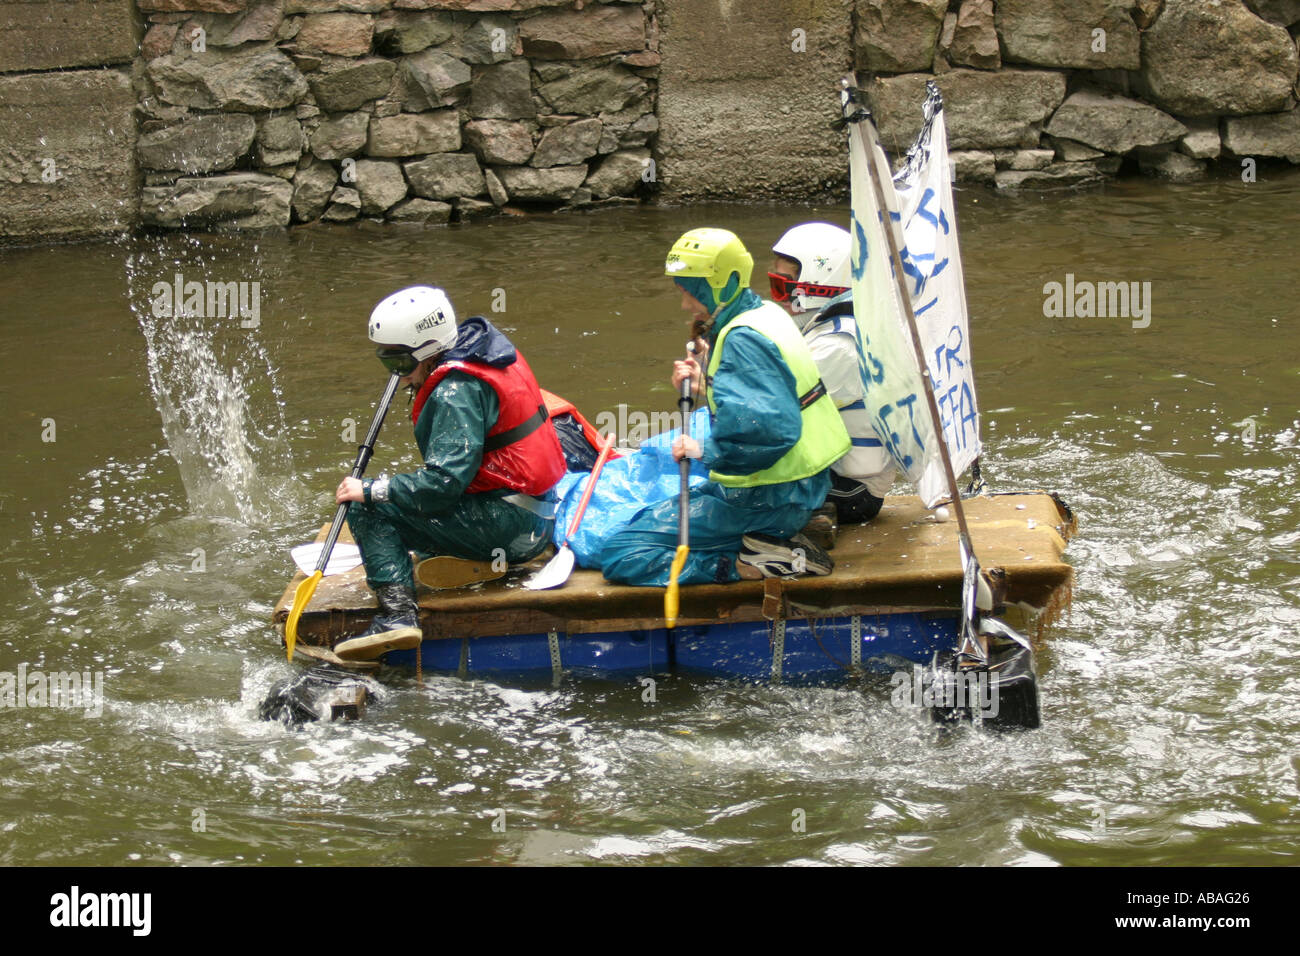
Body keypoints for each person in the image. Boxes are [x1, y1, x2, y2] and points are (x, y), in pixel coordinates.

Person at [600, 228, 850, 585]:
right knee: (648, 517)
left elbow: (768, 431)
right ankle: (767, 539)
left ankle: (747, 565)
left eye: (691, 293)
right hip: (804, 483)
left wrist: (703, 450)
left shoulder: (743, 340)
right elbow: (764, 392)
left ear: (721, 284)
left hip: (770, 497)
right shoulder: (764, 311)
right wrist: (708, 368)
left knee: (622, 551)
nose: (686, 305)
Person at [333, 285, 566, 659]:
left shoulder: (454, 392)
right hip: (537, 517)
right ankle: (472, 561)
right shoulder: (483, 350)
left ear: (426, 351)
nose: (399, 377)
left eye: (400, 365)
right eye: (387, 364)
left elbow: (442, 485)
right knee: (401, 498)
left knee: (367, 507)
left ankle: (397, 616)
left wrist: (372, 490)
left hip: (514, 526)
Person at [769, 222, 896, 523]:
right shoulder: (832, 328)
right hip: (831, 475)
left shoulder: (839, 346)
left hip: (852, 493)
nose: (776, 298)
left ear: (814, 287)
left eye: (780, 287)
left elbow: (768, 413)